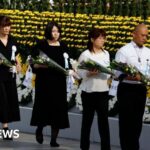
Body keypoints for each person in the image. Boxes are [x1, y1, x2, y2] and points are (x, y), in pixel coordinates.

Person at [30, 21, 70, 147]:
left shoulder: (63, 45)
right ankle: (39, 129)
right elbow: (33, 63)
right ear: (48, 31)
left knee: (57, 110)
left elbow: (68, 62)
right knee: (43, 108)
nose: (55, 33)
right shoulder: (41, 45)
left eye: (57, 31)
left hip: (59, 83)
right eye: (53, 31)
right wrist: (39, 64)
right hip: (44, 83)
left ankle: (53, 139)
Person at [115, 23, 150, 150]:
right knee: (126, 124)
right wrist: (129, 77)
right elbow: (116, 73)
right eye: (142, 35)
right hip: (127, 90)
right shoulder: (124, 51)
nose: (145, 38)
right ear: (134, 34)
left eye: (146, 36)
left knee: (137, 124)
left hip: (141, 89)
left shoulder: (148, 52)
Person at [77, 28, 111, 150]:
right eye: (100, 38)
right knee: (87, 122)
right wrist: (89, 73)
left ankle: (106, 147)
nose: (103, 40)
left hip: (103, 92)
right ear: (92, 39)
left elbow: (108, 73)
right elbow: (79, 73)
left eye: (103, 38)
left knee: (103, 123)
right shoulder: (85, 54)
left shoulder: (106, 53)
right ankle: (84, 146)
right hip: (89, 92)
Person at [0, 15, 21, 140]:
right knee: (2, 99)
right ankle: (5, 129)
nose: (7, 28)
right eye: (4, 26)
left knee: (8, 100)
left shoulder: (13, 40)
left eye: (8, 26)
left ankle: (5, 127)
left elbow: (16, 57)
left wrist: (18, 66)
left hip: (10, 74)